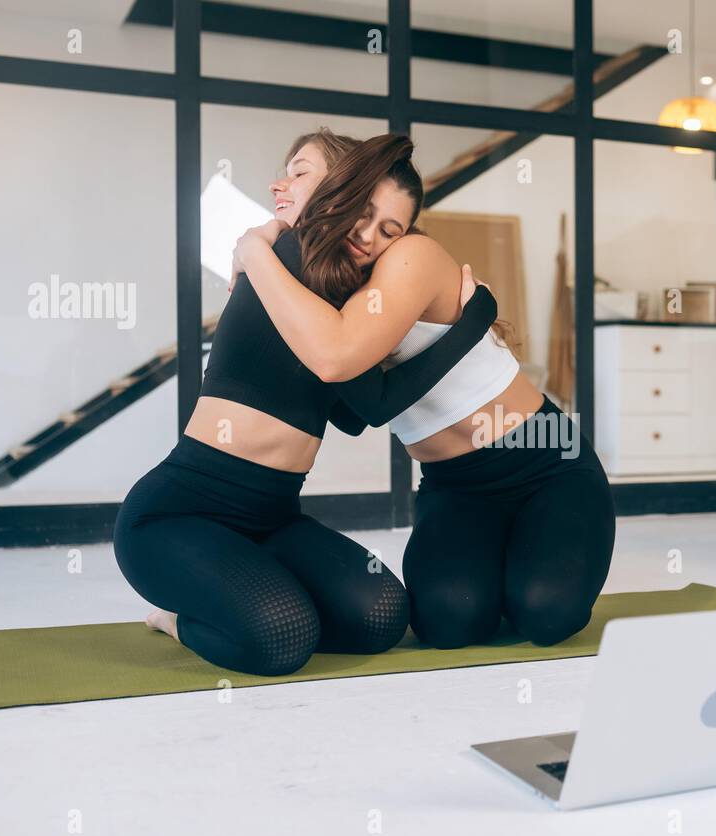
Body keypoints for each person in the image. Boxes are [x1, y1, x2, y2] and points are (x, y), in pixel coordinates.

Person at [113, 130, 499, 675]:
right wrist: (473, 319)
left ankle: (253, 588)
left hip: (273, 518)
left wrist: (460, 323)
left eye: (299, 171)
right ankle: (175, 619)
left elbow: (361, 411)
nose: (280, 184)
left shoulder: (344, 301)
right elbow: (353, 382)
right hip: (177, 516)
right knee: (281, 641)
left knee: (382, 618)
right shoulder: (286, 258)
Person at [236, 142, 616, 651]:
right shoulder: (332, 290)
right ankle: (506, 565)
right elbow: (359, 414)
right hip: (454, 487)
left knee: (546, 615)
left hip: (544, 468)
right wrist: (472, 322)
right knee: (447, 624)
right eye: (364, 216)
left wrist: (253, 254)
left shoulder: (415, 258)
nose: (369, 237)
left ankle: (532, 566)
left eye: (389, 229)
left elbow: (363, 390)